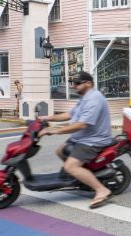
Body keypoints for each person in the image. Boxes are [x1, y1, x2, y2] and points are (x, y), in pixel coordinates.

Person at [37, 71, 115, 209]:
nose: (74, 86)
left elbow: (81, 124)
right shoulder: (84, 98)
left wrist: (54, 131)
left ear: (88, 83)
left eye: (77, 83)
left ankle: (102, 190)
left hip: (92, 141)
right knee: (60, 151)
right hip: (83, 138)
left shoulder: (94, 99)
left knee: (70, 166)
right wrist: (47, 118)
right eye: (73, 83)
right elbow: (69, 114)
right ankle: (82, 176)